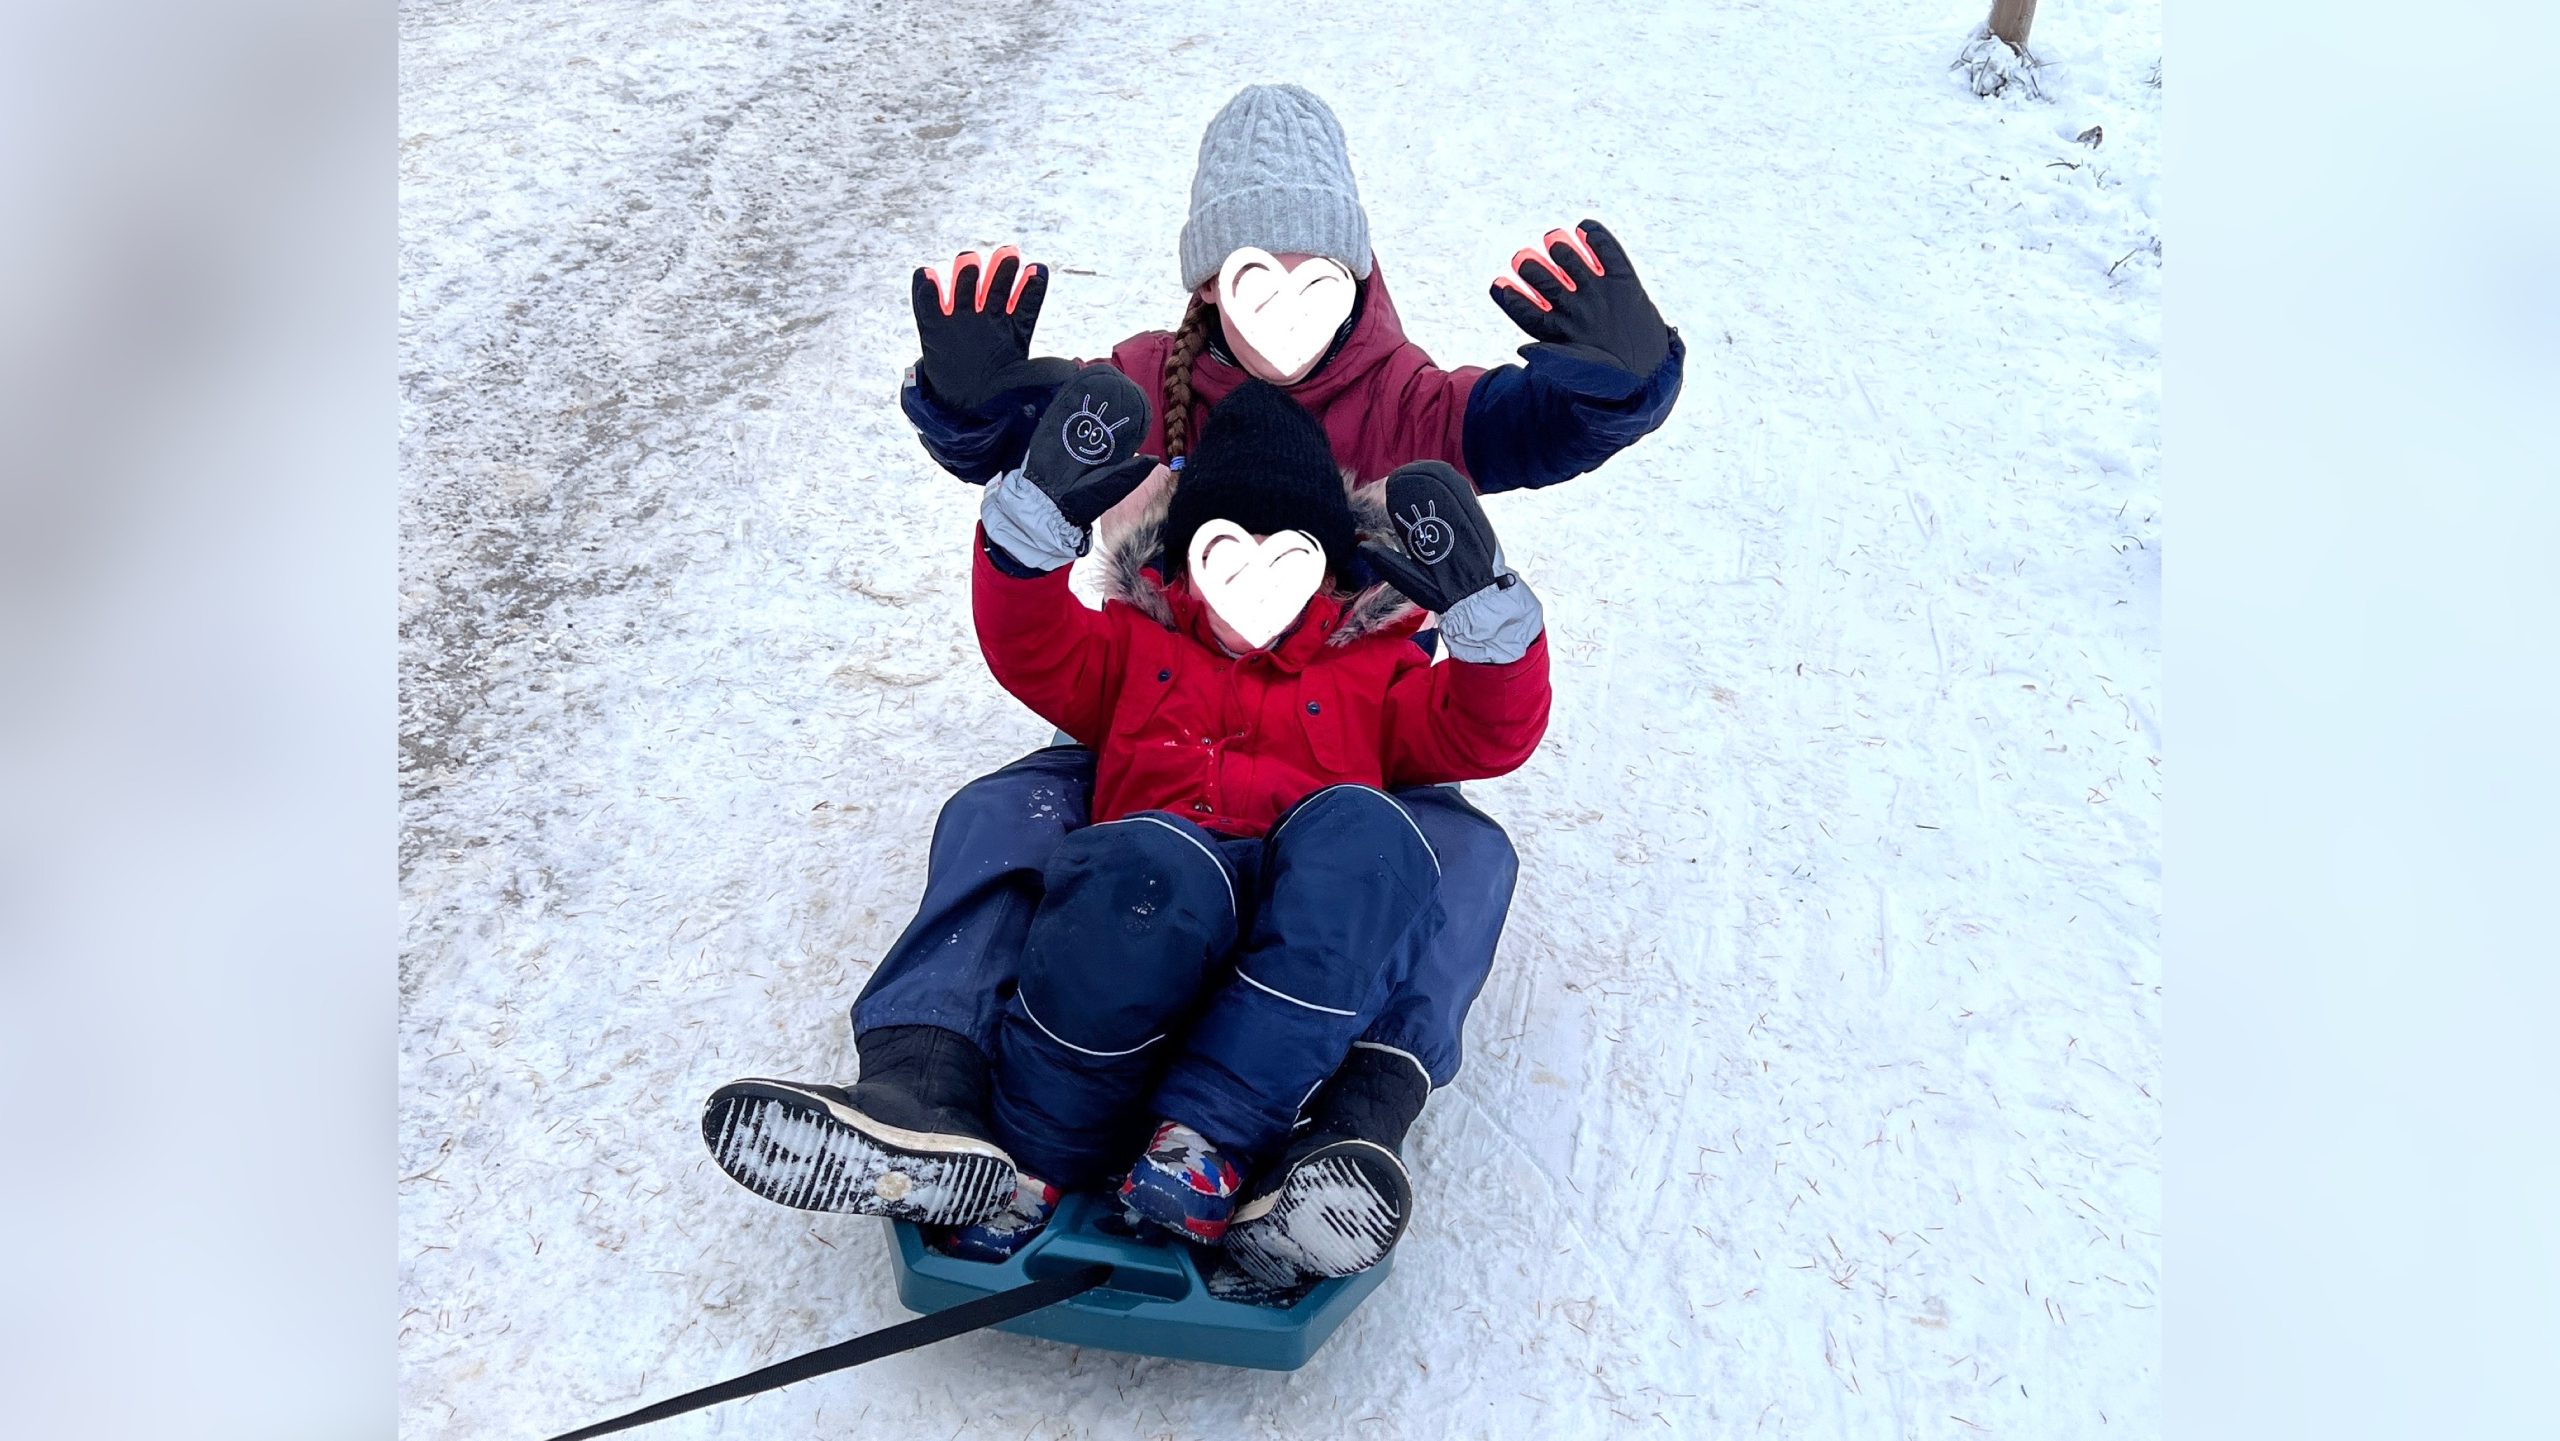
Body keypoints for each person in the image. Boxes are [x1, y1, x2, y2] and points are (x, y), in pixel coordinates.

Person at [701, 83, 1678, 1286]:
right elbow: (1035, 441)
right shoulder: (1147, 376)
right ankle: (928, 1086)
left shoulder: (1414, 400)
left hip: (1350, 733)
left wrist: (1623, 379)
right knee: (1010, 815)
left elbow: (1541, 421)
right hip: (1157, 711)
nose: (1286, 297)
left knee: (1455, 858)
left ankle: (1340, 1132)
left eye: (1318, 264)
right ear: (1209, 276)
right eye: (1253, 265)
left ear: (1357, 271)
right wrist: (967, 402)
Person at [901, 371, 1547, 1266]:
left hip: (1283, 934)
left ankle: (1205, 1146)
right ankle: (1032, 1155)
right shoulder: (1136, 645)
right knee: (1148, 862)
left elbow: (1486, 731)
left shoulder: (1374, 673)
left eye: (1287, 553)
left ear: (1326, 563)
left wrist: (1488, 629)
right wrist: (1029, 537)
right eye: (1224, 546)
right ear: (1186, 552)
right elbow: (1031, 642)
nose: (1255, 579)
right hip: (1144, 913)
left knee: (1372, 836)